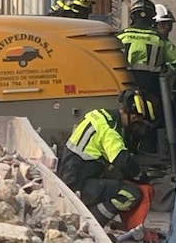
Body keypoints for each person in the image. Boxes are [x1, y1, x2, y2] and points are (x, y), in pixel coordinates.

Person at [57, 89, 158, 229]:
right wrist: (142, 177)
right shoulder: (110, 131)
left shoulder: (101, 116)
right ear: (133, 116)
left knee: (116, 178)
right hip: (78, 185)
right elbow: (122, 161)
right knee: (132, 193)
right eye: (138, 121)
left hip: (71, 176)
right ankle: (93, 223)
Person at [117, 0, 167, 99]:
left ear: (132, 17)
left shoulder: (121, 37)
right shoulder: (158, 39)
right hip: (151, 90)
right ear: (152, 19)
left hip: (124, 87)